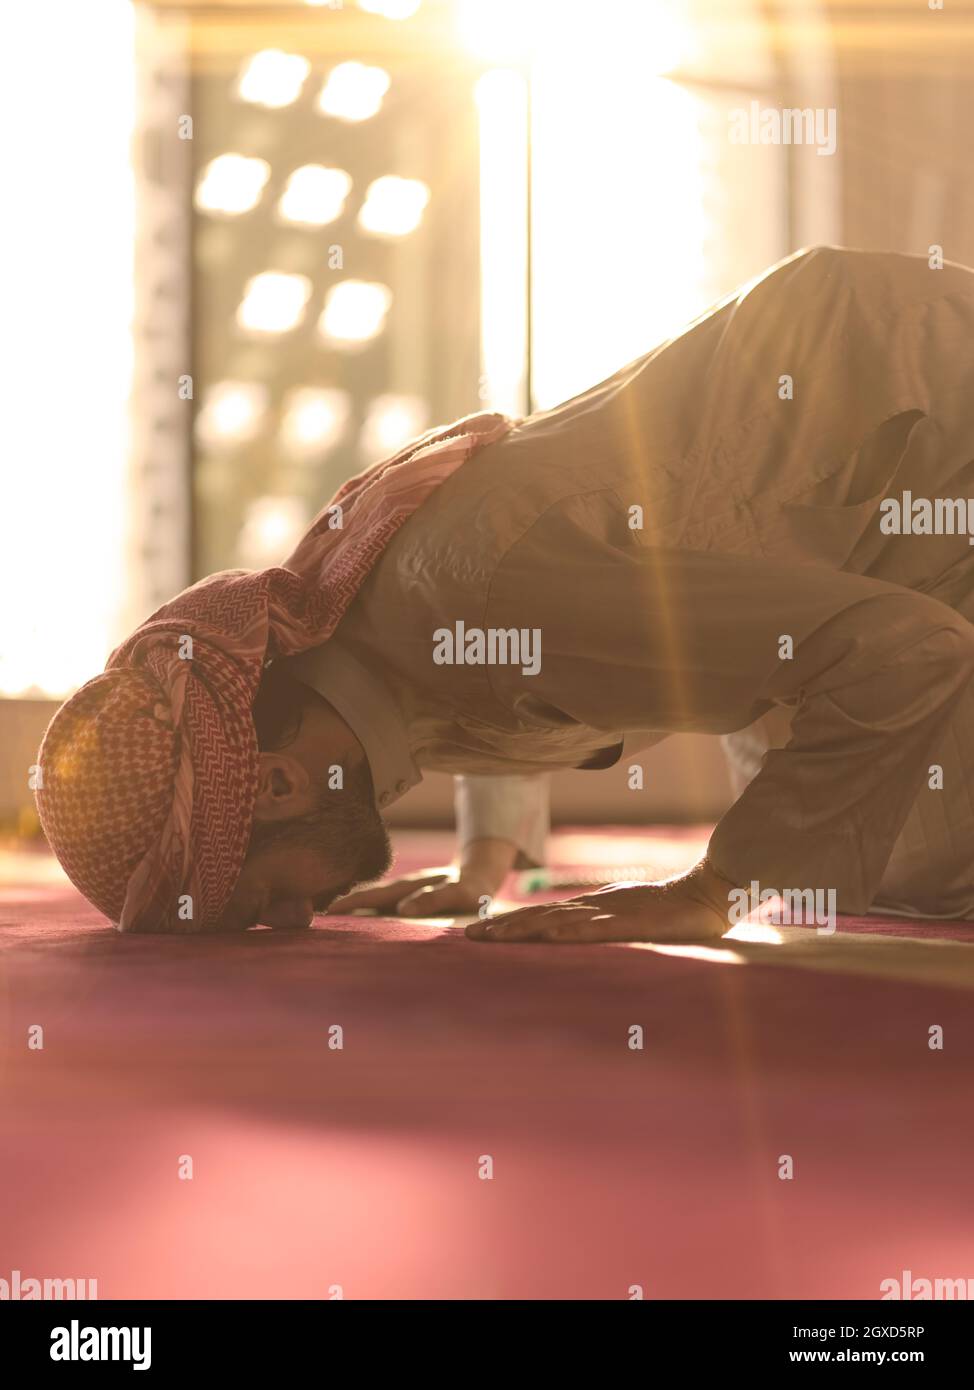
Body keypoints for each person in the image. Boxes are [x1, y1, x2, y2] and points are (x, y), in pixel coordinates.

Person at [36, 246, 974, 941]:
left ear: (275, 783)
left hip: (924, 416)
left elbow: (902, 648)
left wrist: (714, 892)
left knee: (907, 866)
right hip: (853, 511)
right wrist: (493, 854)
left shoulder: (479, 599)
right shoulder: (371, 629)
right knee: (864, 847)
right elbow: (487, 677)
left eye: (257, 899)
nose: (290, 920)